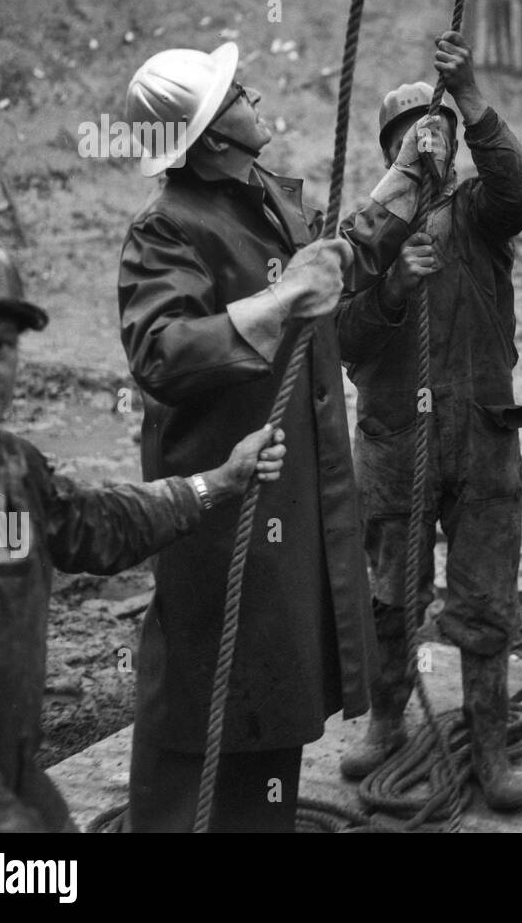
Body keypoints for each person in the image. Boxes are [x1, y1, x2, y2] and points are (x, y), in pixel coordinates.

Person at [117, 43, 429, 832]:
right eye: (236, 93)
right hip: (225, 506)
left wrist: (410, 175)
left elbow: (339, 259)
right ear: (211, 135)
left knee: (279, 679)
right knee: (208, 681)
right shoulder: (166, 228)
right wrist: (282, 299)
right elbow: (161, 351)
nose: (253, 95)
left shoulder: (262, 197)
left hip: (290, 497)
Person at [0, 237, 287, 833]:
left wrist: (217, 483)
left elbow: (96, 525)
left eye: (2, 348)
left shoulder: (12, 467)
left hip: (5, 772)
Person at [337, 30, 522, 811]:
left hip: (484, 435)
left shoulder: (483, 213)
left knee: (486, 600)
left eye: (438, 131)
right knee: (391, 594)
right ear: (392, 150)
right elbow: (339, 340)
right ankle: (388, 723)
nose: (427, 143)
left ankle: (490, 743)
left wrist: (470, 95)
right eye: (411, 135)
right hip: (396, 443)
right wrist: (390, 290)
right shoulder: (366, 233)